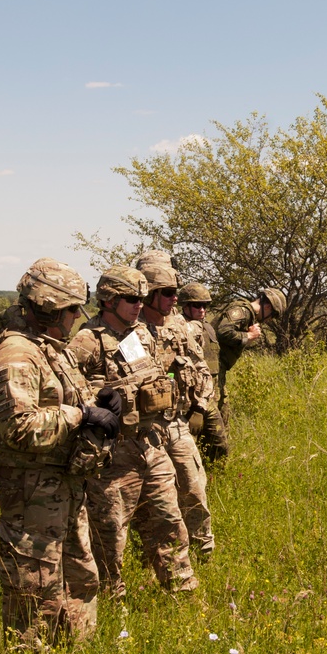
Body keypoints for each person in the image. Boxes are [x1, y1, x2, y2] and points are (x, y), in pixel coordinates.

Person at [0, 258, 118, 646]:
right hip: (32, 495)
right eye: (72, 309)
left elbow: (60, 396)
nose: (77, 317)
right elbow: (17, 428)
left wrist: (100, 399)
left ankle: (77, 648)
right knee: (33, 596)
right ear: (50, 309)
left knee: (80, 582)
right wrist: (81, 414)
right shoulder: (16, 354)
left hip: (65, 488)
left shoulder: (49, 348)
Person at [67, 265, 200, 597]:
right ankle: (110, 597)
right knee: (110, 532)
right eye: (131, 299)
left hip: (151, 445)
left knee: (169, 521)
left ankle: (181, 590)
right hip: (114, 456)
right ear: (109, 300)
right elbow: (67, 393)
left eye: (142, 298)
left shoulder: (139, 335)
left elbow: (151, 377)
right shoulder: (87, 340)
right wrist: (99, 397)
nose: (139, 305)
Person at [134, 252, 216, 557]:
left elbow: (201, 369)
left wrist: (200, 407)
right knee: (148, 500)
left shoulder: (181, 326)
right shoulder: (128, 328)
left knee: (194, 489)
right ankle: (151, 554)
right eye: (167, 293)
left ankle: (203, 551)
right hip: (142, 429)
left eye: (175, 292)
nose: (174, 299)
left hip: (177, 422)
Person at [212, 287, 287, 426]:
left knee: (221, 416)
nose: (270, 320)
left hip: (216, 368)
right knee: (215, 418)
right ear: (268, 307)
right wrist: (248, 336)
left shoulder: (247, 314)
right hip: (212, 368)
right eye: (273, 315)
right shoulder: (243, 311)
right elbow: (223, 331)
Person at [177, 282, 229, 462]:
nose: (202, 310)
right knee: (189, 445)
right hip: (190, 396)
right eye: (197, 305)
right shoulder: (182, 328)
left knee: (218, 442)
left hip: (209, 392)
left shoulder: (206, 327)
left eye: (205, 305)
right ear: (185, 306)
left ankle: (216, 474)